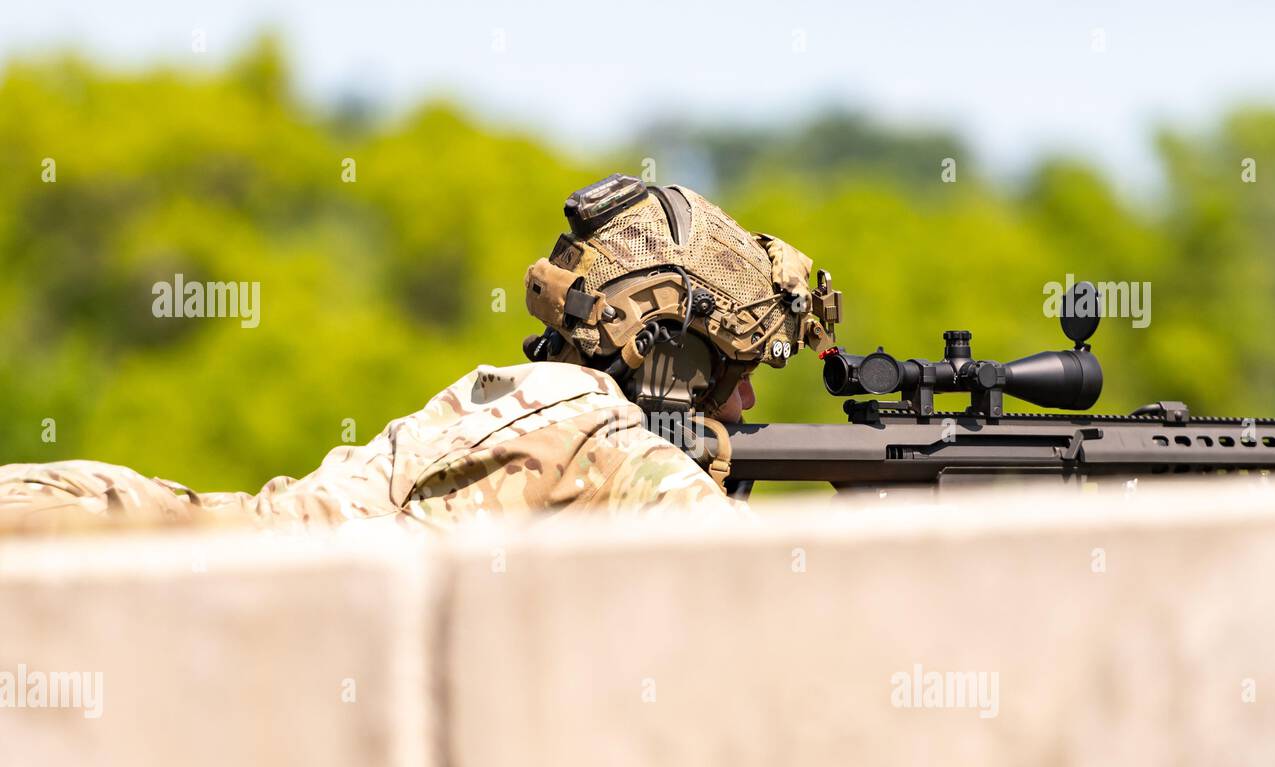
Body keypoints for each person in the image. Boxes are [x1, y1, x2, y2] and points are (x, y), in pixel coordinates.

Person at [0, 174, 838, 532]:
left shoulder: (508, 396)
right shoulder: (603, 440)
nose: (747, 404)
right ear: (669, 353)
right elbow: (768, 603)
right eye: (737, 373)